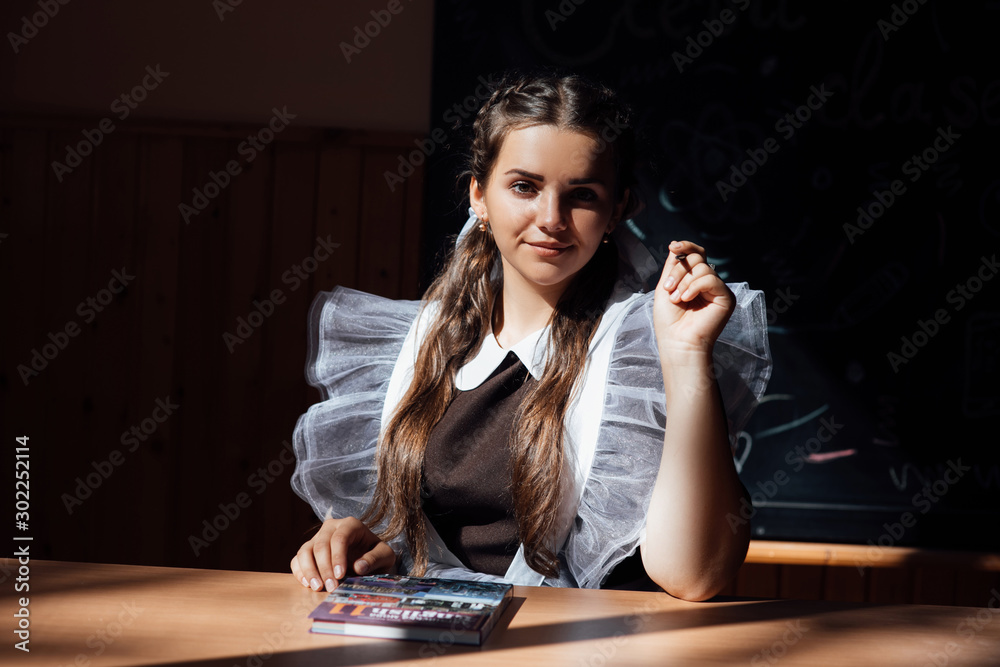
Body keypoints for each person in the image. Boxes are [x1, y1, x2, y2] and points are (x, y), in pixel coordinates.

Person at [289, 70, 771, 601]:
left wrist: (685, 358)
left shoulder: (643, 347)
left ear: (617, 211)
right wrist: (375, 543)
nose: (551, 219)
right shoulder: (422, 341)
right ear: (479, 196)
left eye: (582, 195)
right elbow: (437, 551)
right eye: (524, 186)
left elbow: (696, 575)